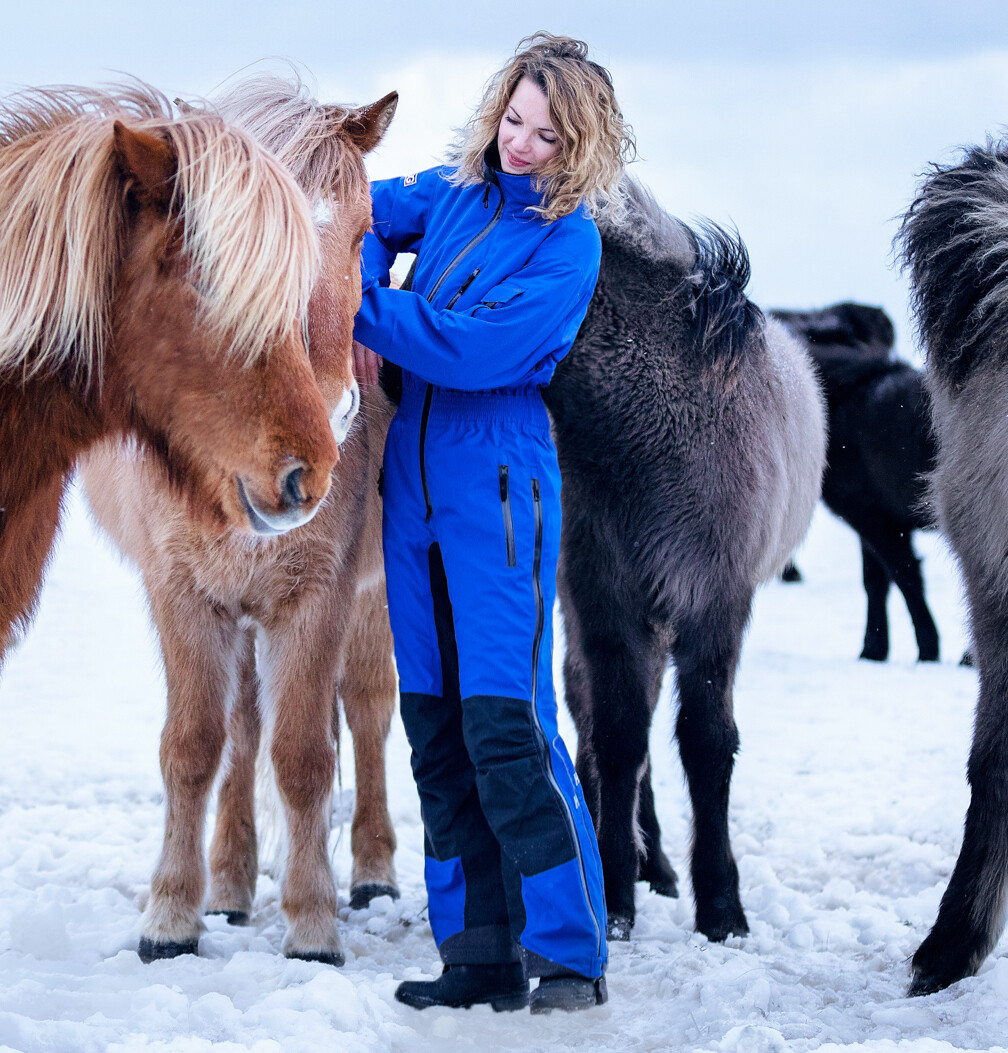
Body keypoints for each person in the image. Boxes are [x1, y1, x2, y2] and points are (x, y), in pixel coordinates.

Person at [353, 32, 635, 1014]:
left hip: (499, 484)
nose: (520, 145)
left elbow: (472, 351)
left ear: (580, 145)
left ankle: (567, 953)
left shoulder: (568, 243)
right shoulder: (453, 190)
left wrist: (353, 312)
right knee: (432, 728)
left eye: (545, 135)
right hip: (412, 486)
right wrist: (357, 264)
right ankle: (475, 950)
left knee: (505, 727)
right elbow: (359, 212)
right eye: (513, 121)